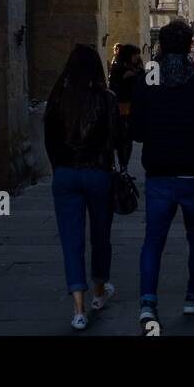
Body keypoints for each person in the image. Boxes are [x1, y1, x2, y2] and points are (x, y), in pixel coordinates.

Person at [129, 19, 194, 331]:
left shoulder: (147, 81)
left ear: (160, 45)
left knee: (153, 239)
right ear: (189, 46)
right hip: (193, 173)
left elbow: (136, 132)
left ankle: (148, 303)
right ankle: (193, 295)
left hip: (158, 171)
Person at [44, 44, 120, 330]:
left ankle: (78, 308)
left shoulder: (57, 99)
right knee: (101, 235)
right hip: (98, 173)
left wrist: (59, 167)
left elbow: (49, 138)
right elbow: (117, 138)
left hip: (65, 175)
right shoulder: (106, 98)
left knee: (71, 240)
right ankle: (99, 291)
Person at [108, 43, 143, 168]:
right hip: (120, 107)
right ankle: (120, 165)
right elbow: (114, 87)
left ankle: (124, 166)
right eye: (135, 54)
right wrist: (124, 78)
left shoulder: (138, 67)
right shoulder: (118, 68)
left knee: (128, 139)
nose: (137, 56)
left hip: (132, 107)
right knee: (121, 138)